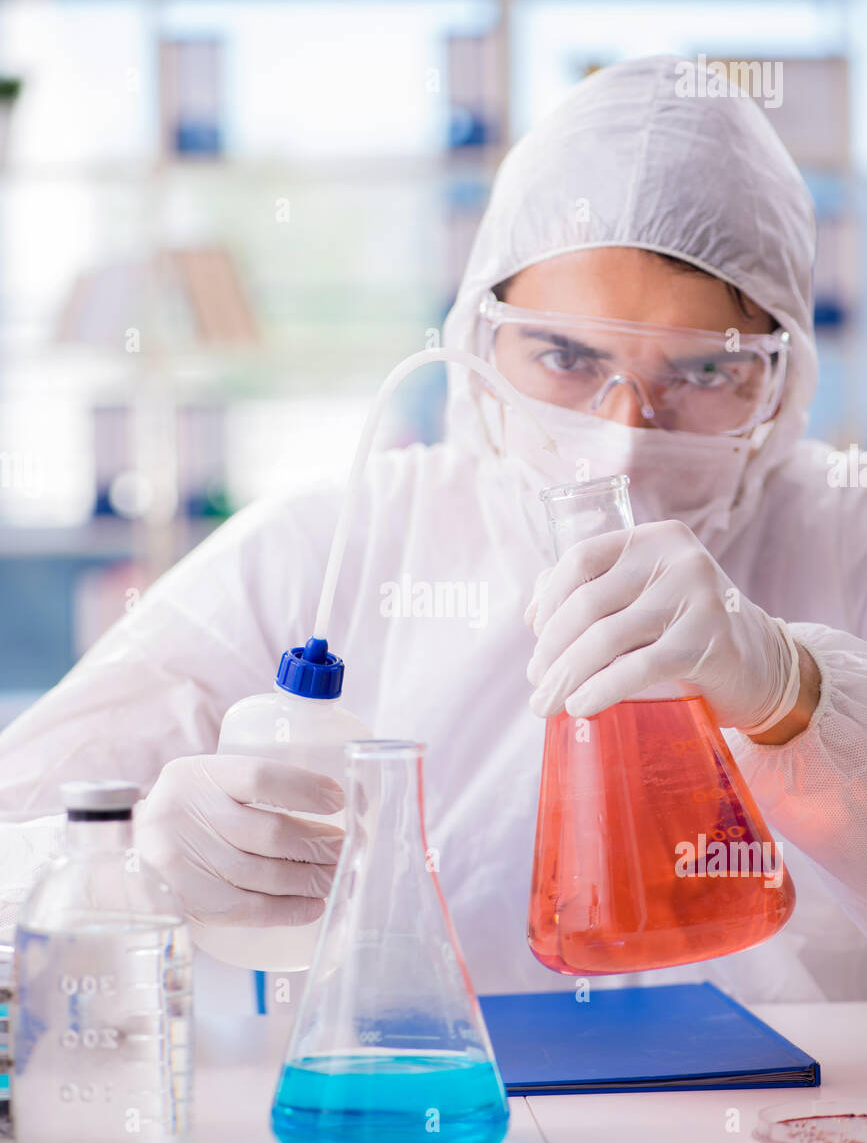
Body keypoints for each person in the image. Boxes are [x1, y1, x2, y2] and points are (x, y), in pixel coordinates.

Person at [0, 54, 865, 1007]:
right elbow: (17, 846)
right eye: (566, 356)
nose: (620, 442)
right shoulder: (332, 546)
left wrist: (799, 696)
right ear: (477, 339)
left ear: (780, 383)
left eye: (703, 373)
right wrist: (130, 865)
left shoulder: (843, 532)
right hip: (418, 1138)